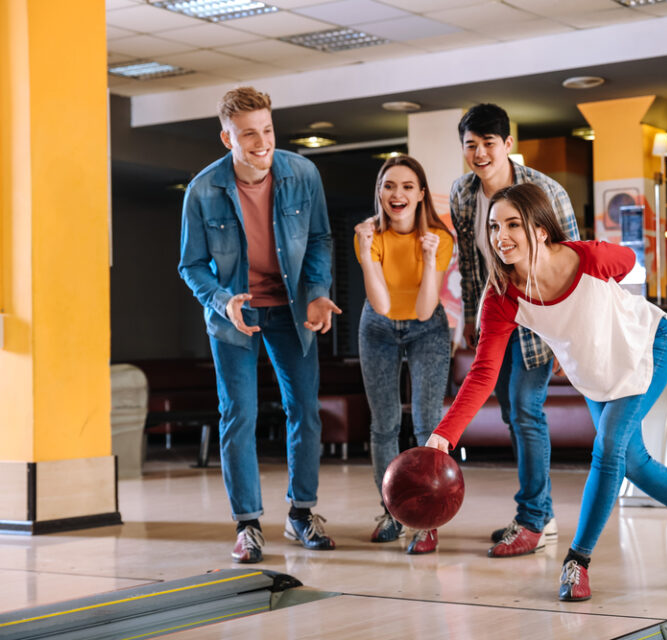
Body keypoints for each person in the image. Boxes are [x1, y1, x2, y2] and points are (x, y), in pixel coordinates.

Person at [426, 183, 667, 601]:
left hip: (646, 348)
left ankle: (576, 562)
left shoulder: (586, 258)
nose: (500, 236)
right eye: (494, 226)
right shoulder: (502, 295)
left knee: (610, 447)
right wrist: (445, 435)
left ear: (541, 230)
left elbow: (629, 260)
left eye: (513, 224)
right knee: (634, 464)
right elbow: (484, 373)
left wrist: (600, 297)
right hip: (596, 374)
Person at [178, 86, 341, 564]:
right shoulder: (203, 190)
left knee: (304, 411)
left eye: (267, 130)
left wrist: (316, 290)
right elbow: (192, 265)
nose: (261, 142)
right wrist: (221, 300)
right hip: (235, 315)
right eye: (248, 134)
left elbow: (318, 237)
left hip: (292, 308)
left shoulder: (303, 173)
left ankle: (301, 513)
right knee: (239, 416)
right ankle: (248, 525)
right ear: (226, 138)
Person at [449, 103, 580, 557]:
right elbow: (470, 260)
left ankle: (532, 520)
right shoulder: (463, 193)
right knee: (512, 415)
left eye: (489, 143)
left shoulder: (545, 190)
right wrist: (470, 314)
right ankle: (541, 512)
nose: (480, 153)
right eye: (471, 145)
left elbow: (575, 262)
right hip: (496, 314)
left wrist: (567, 336)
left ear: (508, 144)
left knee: (526, 410)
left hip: (540, 319)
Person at [354, 155, 454, 554]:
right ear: (380, 192)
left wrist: (429, 258)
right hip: (378, 325)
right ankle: (392, 512)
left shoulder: (440, 239)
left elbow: (427, 309)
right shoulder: (368, 234)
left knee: (428, 422)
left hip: (426, 327)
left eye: (407, 187)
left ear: (421, 194)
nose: (398, 194)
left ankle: (426, 520)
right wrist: (364, 254)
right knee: (385, 423)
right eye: (390, 185)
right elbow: (379, 302)